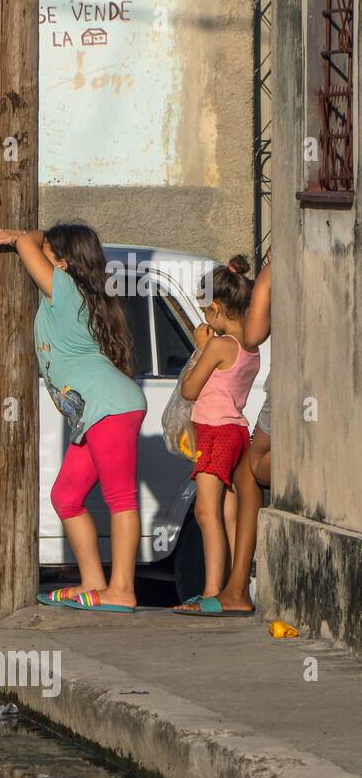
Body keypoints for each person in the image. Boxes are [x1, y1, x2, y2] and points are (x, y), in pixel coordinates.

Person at [0, 223, 146, 612]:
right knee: (66, 496)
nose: (41, 256)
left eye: (50, 253)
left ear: (64, 263)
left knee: (120, 497)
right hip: (95, 412)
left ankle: (121, 589)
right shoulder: (67, 294)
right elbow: (37, 244)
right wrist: (37, 239)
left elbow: (27, 242)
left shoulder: (66, 289)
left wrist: (18, 235)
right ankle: (93, 582)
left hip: (110, 405)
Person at [177, 255, 272, 615]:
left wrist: (200, 347)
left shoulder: (218, 346)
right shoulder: (252, 348)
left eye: (205, 312)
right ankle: (237, 586)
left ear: (215, 308)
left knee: (205, 512)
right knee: (229, 514)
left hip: (214, 433)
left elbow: (189, 390)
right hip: (238, 431)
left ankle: (212, 591)